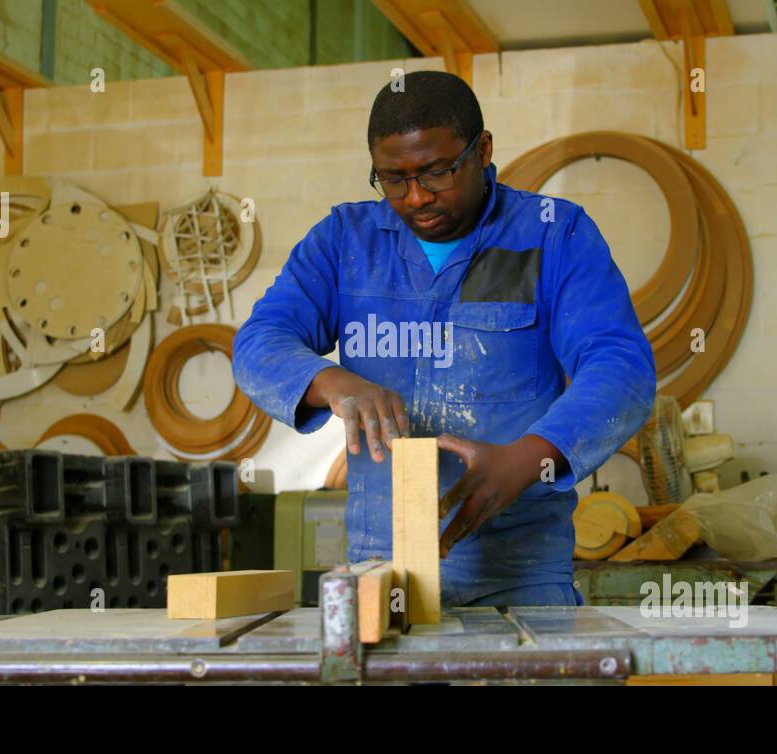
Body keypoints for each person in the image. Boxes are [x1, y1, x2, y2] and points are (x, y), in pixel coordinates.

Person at [234, 70, 655, 607]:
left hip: (518, 577)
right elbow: (259, 341)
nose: (415, 198)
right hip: (384, 575)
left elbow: (621, 368)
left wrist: (527, 460)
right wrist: (331, 380)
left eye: (436, 173)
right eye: (392, 179)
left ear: (481, 149)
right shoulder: (344, 242)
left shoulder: (554, 234)